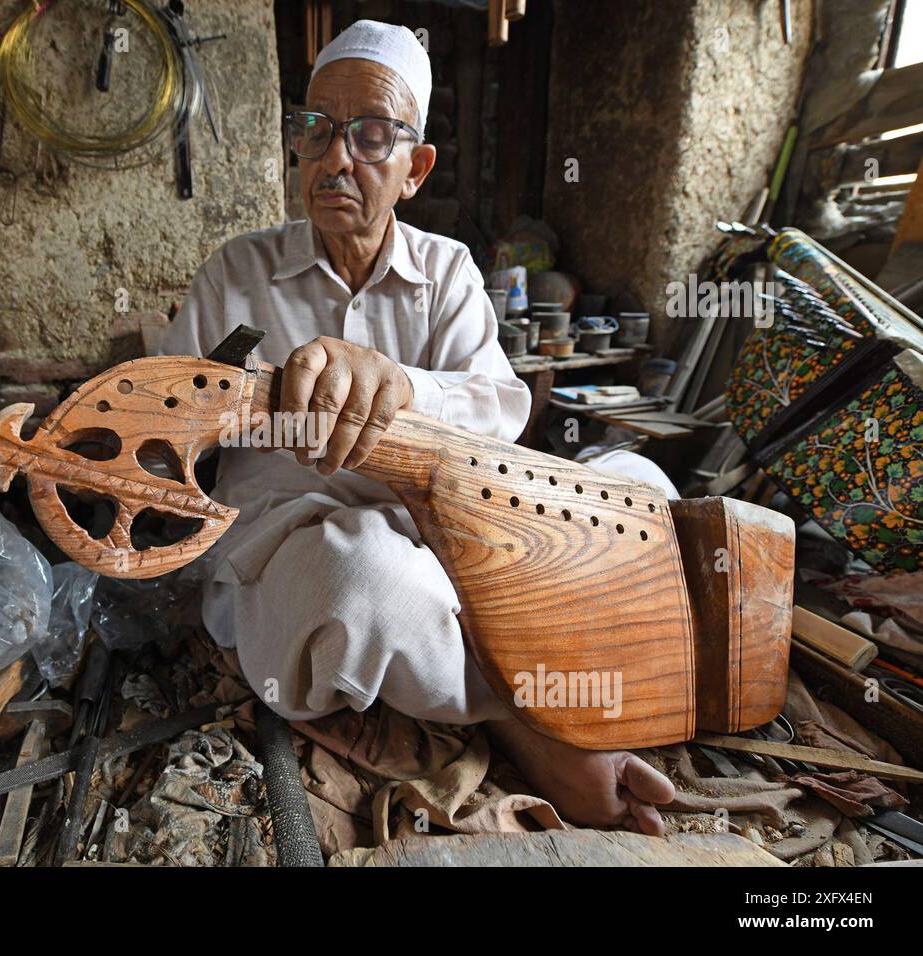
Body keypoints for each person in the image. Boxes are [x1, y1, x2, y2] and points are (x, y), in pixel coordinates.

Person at [157, 20, 675, 835]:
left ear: (415, 168)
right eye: (316, 131)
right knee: (369, 584)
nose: (335, 159)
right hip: (293, 538)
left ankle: (509, 678)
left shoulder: (448, 272)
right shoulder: (238, 272)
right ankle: (526, 720)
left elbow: (498, 411)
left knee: (644, 495)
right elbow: (174, 420)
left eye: (370, 136)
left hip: (449, 528)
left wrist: (399, 385)